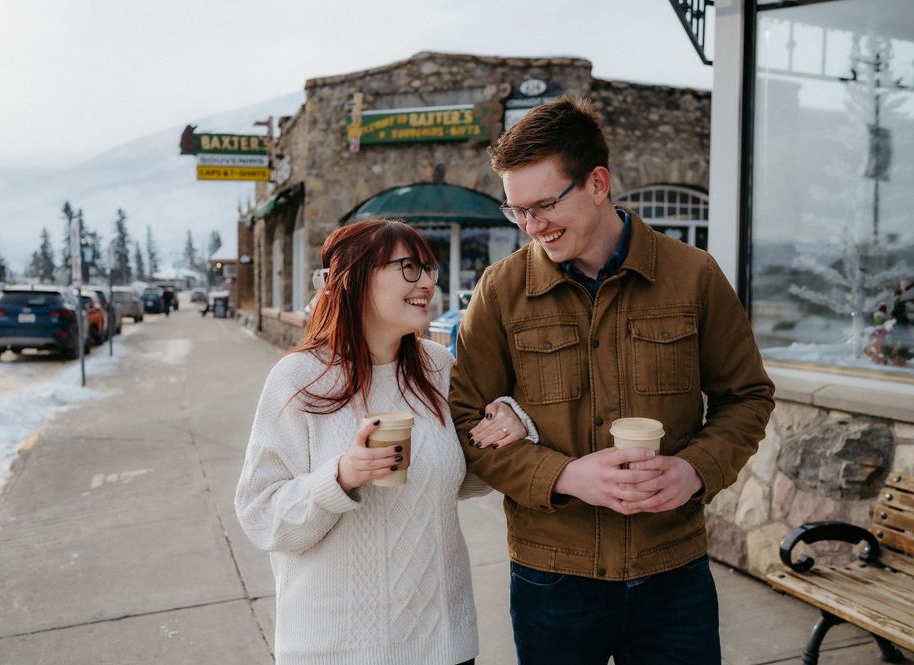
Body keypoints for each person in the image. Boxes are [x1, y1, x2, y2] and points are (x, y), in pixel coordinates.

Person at [450, 97, 776, 665]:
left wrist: (695, 469)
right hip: (551, 578)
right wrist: (566, 475)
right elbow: (463, 421)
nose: (532, 227)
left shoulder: (695, 276)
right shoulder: (499, 292)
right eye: (517, 211)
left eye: (546, 204)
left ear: (597, 183)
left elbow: (746, 397)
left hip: (674, 575)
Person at [235, 219, 532, 665]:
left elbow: (460, 478)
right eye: (409, 268)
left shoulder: (437, 366)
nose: (428, 282)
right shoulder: (298, 379)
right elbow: (261, 516)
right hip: (334, 649)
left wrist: (505, 426)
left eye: (430, 268)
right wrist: (341, 476)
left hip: (443, 643)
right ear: (356, 277)